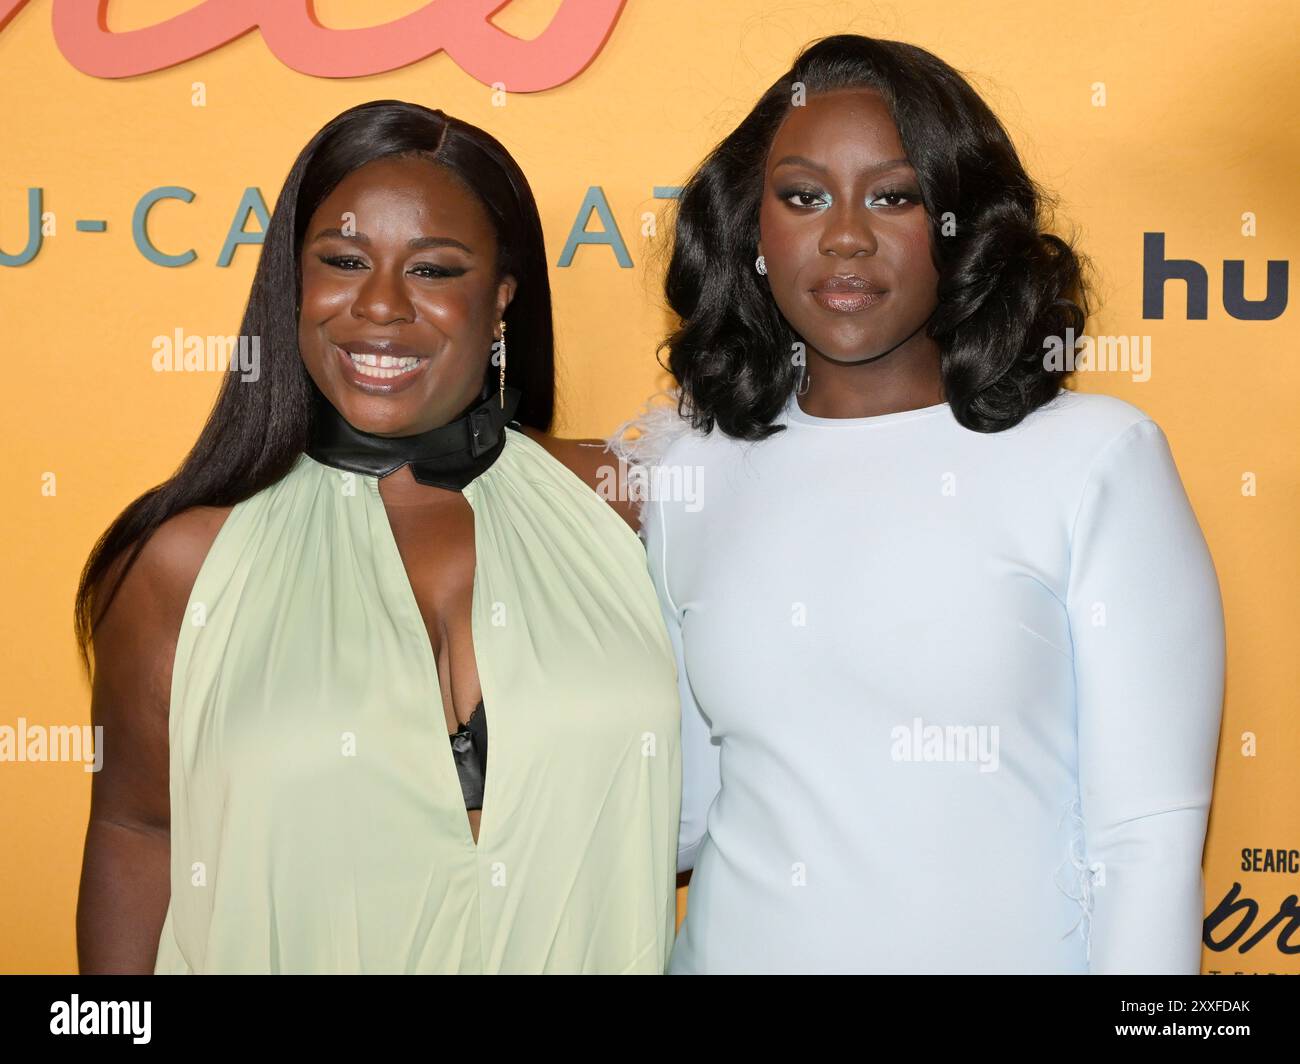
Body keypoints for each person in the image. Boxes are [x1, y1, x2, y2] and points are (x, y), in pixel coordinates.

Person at [614, 34, 1226, 974]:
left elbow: (1145, 840)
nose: (846, 234)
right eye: (803, 195)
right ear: (751, 227)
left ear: (963, 223)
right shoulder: (695, 472)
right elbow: (684, 814)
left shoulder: (1095, 459)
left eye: (894, 195)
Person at [74, 100, 681, 975]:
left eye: (434, 270)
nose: (381, 305)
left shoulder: (623, 502)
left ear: (502, 297)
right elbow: (138, 832)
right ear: (293, 283)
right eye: (344, 261)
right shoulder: (184, 564)